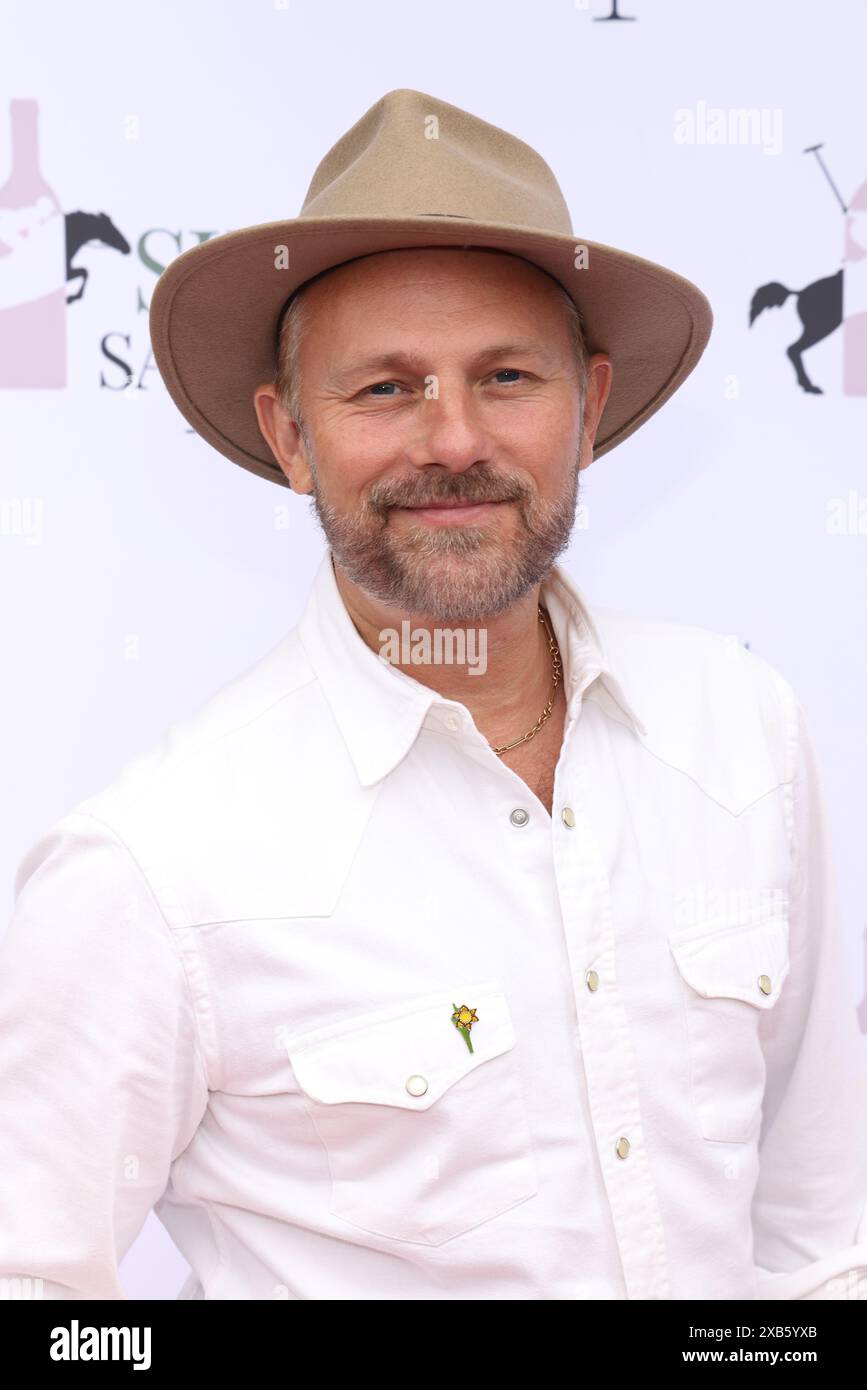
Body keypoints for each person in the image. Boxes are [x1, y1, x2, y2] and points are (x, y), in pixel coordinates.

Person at [2, 88, 866, 1302]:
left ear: (592, 408)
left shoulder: (741, 727)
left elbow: (822, 1238)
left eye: (507, 376)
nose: (453, 439)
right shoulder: (151, 867)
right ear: (291, 435)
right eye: (385, 389)